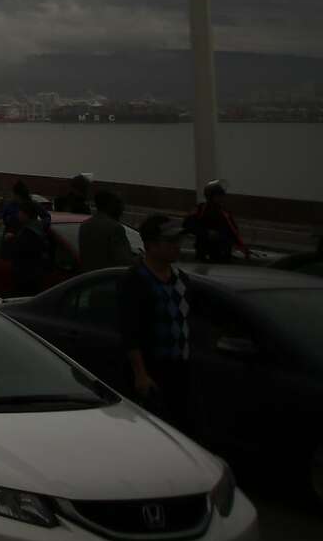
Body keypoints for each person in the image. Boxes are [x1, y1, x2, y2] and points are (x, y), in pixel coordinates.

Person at [119, 214, 194, 434]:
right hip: (153, 371)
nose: (177, 247)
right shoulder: (135, 280)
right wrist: (140, 373)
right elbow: (129, 330)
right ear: (151, 245)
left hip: (181, 369)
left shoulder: (182, 280)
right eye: (170, 241)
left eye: (178, 241)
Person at [186, 182, 251, 263]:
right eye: (218, 196)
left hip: (222, 250)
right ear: (210, 196)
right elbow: (188, 225)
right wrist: (206, 232)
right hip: (204, 250)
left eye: (221, 196)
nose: (221, 198)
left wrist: (241, 246)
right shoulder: (200, 209)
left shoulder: (223, 211)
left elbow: (233, 230)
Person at [77, 190, 133, 272]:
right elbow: (124, 261)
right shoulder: (115, 228)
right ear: (110, 206)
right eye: (118, 203)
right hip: (108, 278)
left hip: (88, 277)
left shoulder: (85, 225)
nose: (122, 208)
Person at [3, 209, 50, 296]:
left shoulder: (29, 232)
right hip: (33, 273)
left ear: (26, 215)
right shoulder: (39, 228)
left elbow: (20, 250)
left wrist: (12, 240)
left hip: (26, 275)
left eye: (20, 212)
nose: (18, 215)